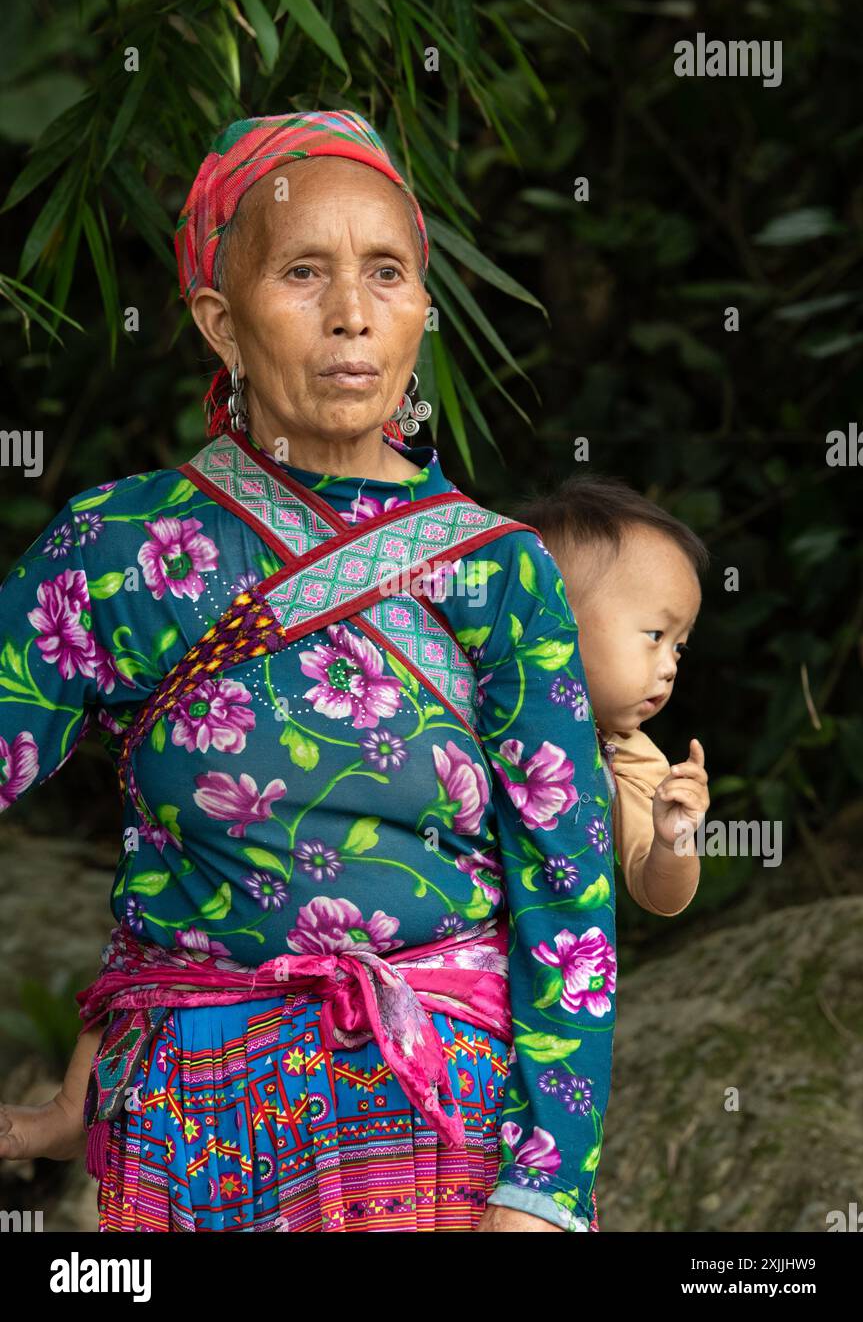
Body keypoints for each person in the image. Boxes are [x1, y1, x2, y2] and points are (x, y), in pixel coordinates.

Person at [0, 111, 615, 1232]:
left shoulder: (499, 571)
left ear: (423, 313)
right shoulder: (120, 550)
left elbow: (565, 899)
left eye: (386, 272)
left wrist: (544, 1192)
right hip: (191, 1128)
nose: (350, 313)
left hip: (439, 1132)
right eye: (301, 273)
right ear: (218, 320)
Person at [513, 474, 711, 918]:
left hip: (556, 960)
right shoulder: (472, 697)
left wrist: (672, 838)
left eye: (679, 645)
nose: (670, 665)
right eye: (655, 635)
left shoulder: (629, 755)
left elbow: (659, 894)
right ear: (558, 612)